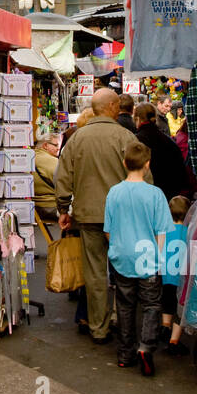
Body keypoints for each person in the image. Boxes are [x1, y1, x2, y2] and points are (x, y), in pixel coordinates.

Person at [54, 87, 134, 343]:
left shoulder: (77, 138)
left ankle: (98, 327)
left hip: (88, 215)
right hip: (121, 216)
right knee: (124, 272)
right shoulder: (126, 137)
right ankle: (123, 324)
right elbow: (143, 177)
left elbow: (63, 177)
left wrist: (64, 209)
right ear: (112, 107)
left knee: (95, 272)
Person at [104, 139, 174, 376]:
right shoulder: (155, 194)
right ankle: (146, 346)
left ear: (124, 163)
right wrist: (159, 256)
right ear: (147, 164)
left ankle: (125, 353)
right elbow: (161, 231)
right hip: (148, 256)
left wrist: (116, 246)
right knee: (152, 304)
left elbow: (108, 229)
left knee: (125, 305)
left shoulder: (114, 193)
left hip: (121, 255)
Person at [134, 101, 190, 201]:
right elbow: (181, 173)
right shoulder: (169, 141)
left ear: (137, 119)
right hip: (168, 196)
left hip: (143, 195)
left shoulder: (136, 141)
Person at [163, 195, 190, 350]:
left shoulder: (165, 230)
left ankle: (164, 326)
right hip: (181, 280)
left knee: (167, 304)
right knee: (180, 311)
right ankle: (174, 341)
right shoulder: (189, 232)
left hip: (165, 277)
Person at [33, 135, 60, 225]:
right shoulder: (52, 161)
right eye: (55, 145)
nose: (58, 148)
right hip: (51, 206)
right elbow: (67, 184)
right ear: (45, 145)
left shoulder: (30, 158)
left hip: (36, 208)